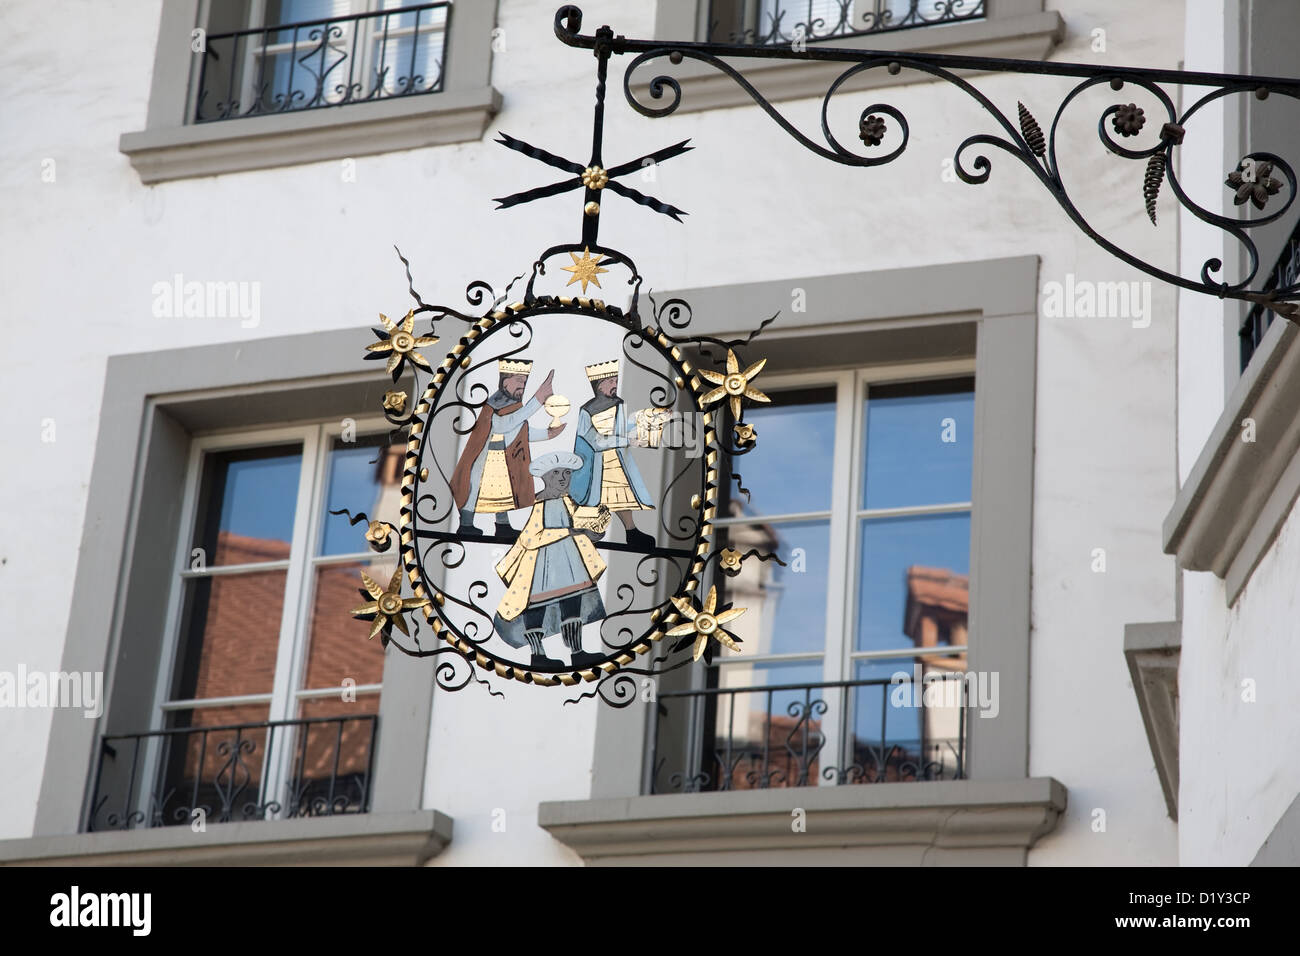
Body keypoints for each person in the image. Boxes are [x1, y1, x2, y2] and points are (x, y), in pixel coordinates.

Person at [493, 452, 608, 669]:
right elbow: (530, 537)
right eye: (556, 473)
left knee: (572, 606)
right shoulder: (541, 503)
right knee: (537, 609)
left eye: (567, 473)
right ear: (545, 477)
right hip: (542, 568)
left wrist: (595, 530)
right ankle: (537, 655)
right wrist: (568, 531)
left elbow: (581, 525)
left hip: (571, 565)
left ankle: (577, 652)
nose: (563, 478)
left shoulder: (568, 502)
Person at [449, 358, 562, 541]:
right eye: (519, 381)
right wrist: (537, 401)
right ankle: (466, 524)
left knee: (502, 492)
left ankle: (502, 526)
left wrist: (547, 434)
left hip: (504, 457)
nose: (522, 386)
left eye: (524, 382)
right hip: (485, 458)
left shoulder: (514, 406)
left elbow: (520, 430)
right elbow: (503, 425)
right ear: (505, 381)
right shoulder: (495, 403)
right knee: (475, 489)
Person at [571, 359, 657, 550]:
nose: (615, 384)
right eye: (610, 381)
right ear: (599, 385)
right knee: (592, 498)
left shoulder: (618, 404)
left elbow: (622, 428)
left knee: (620, 495)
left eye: (615, 380)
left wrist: (645, 428)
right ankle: (584, 531)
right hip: (594, 463)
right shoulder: (586, 411)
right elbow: (594, 440)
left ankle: (631, 531)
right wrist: (626, 440)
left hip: (613, 459)